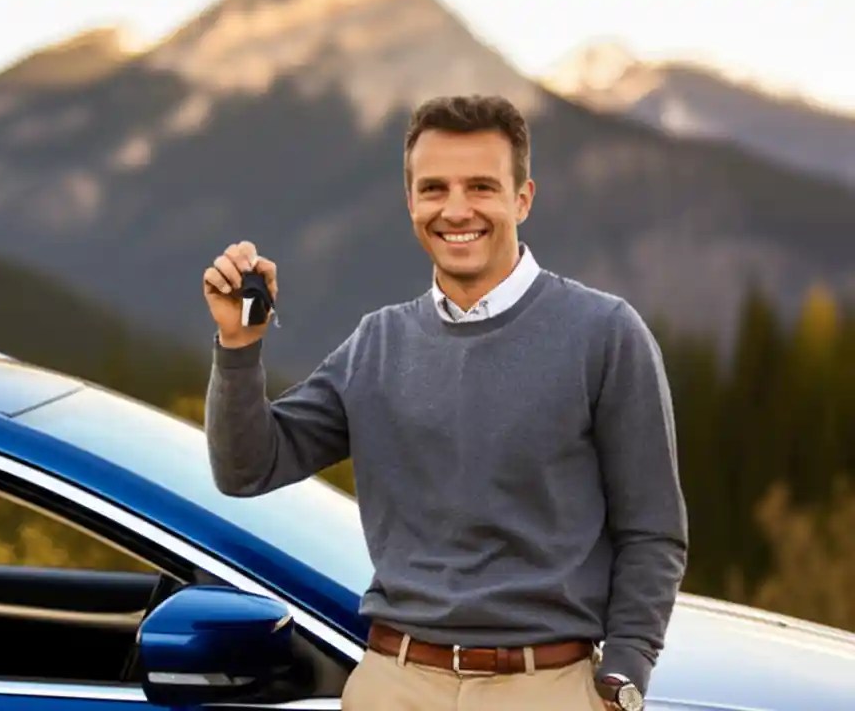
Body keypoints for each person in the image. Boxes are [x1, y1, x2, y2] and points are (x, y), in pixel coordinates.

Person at [201, 94, 687, 711]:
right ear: (411, 203)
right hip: (393, 684)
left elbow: (653, 531)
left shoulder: (606, 334)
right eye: (433, 189)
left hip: (546, 690)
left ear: (522, 199)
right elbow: (247, 468)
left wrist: (623, 675)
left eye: (481, 186)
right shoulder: (377, 343)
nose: (456, 210)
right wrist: (239, 343)